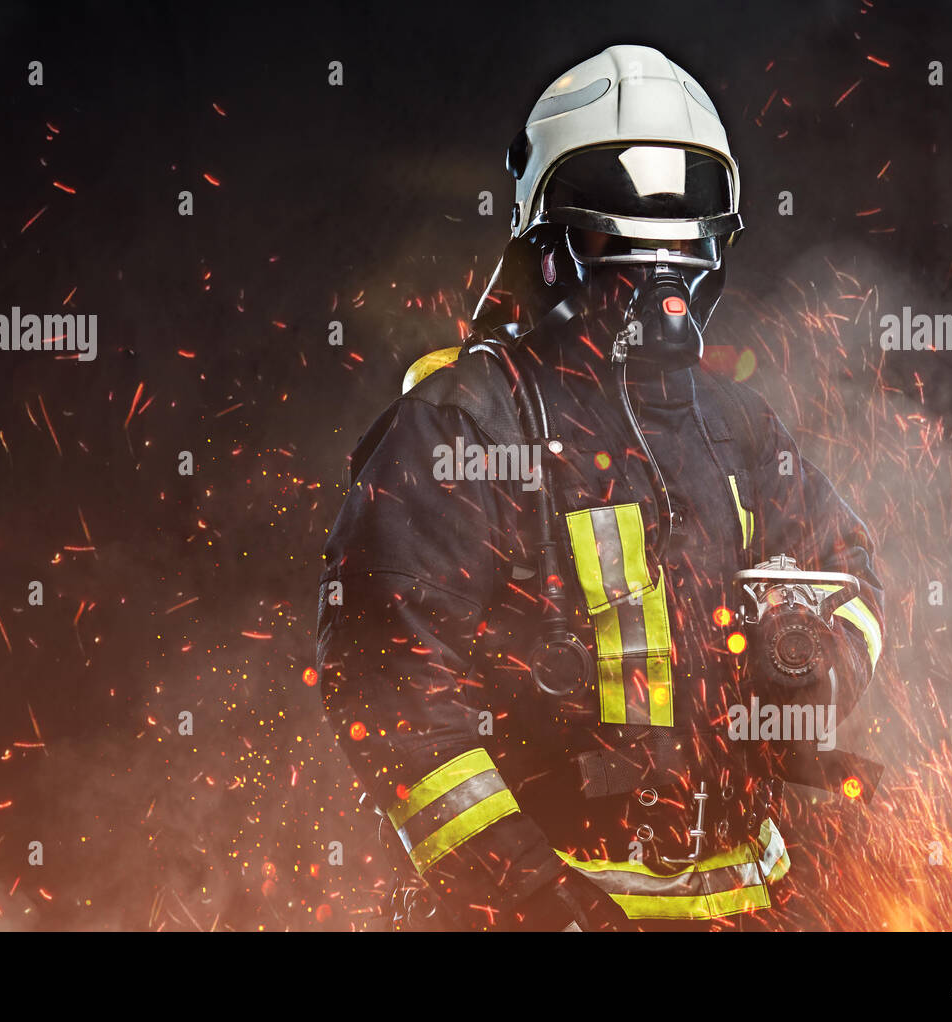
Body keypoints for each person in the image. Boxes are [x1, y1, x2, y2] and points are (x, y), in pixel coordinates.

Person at [316, 44, 884, 931]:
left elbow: (850, 568)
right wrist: (537, 901)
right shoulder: (465, 425)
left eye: (682, 239)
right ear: (545, 246)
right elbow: (386, 696)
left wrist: (813, 671)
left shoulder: (735, 425)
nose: (658, 274)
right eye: (618, 239)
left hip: (757, 905)